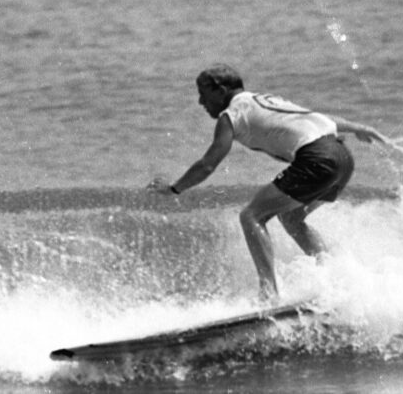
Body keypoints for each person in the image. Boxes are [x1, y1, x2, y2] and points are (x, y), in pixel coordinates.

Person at [148, 64, 389, 302]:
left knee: (251, 216)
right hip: (343, 158)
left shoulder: (230, 115)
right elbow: (319, 118)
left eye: (203, 94)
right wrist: (360, 128)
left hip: (317, 158)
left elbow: (208, 164)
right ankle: (336, 277)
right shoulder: (266, 100)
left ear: (220, 89)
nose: (201, 102)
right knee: (292, 218)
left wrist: (174, 188)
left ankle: (269, 293)